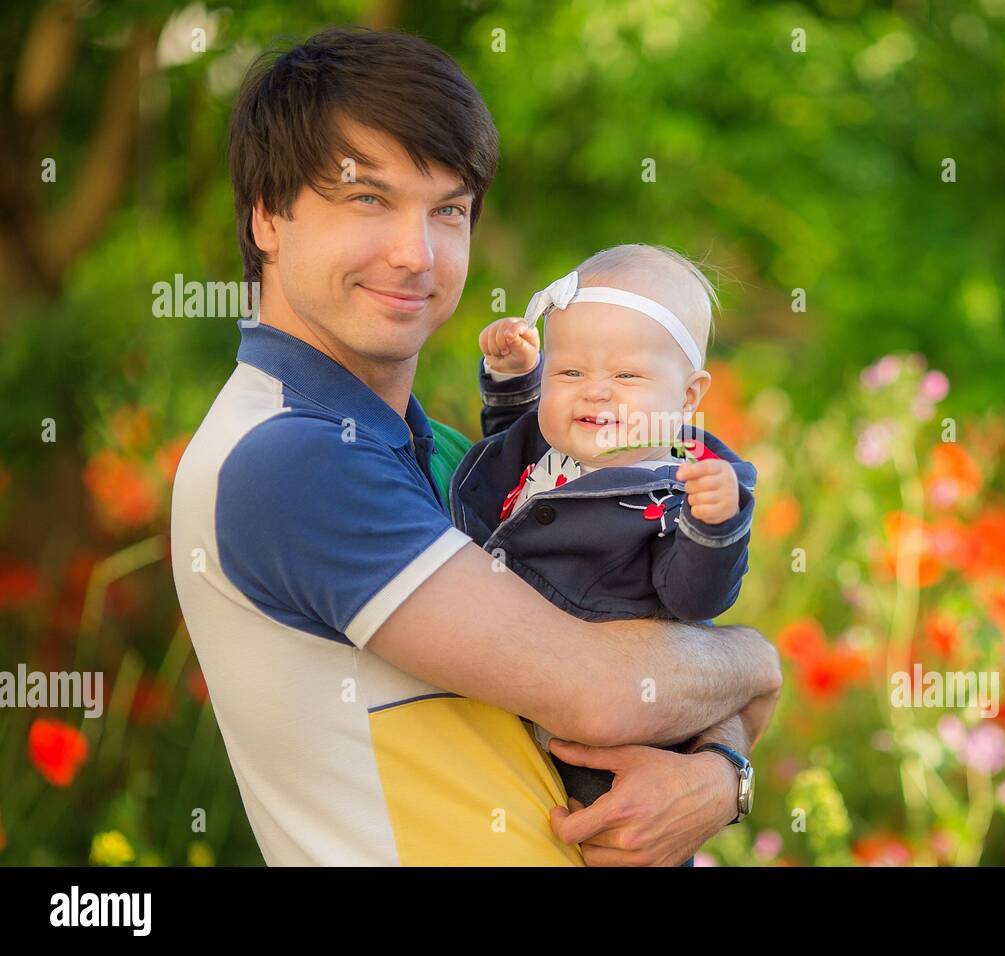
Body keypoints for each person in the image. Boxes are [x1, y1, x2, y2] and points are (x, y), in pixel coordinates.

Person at [169, 27, 780, 866]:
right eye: (368, 199)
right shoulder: (288, 457)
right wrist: (754, 659)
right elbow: (603, 693)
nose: (415, 255)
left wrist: (721, 771)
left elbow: (642, 648)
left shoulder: (462, 458)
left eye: (447, 209)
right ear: (267, 215)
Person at [453, 244, 757, 810]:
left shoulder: (678, 489)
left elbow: (694, 599)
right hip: (502, 700)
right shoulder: (555, 445)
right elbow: (509, 443)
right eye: (569, 371)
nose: (596, 390)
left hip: (602, 751)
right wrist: (515, 377)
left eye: (626, 374)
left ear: (688, 397)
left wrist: (715, 526)